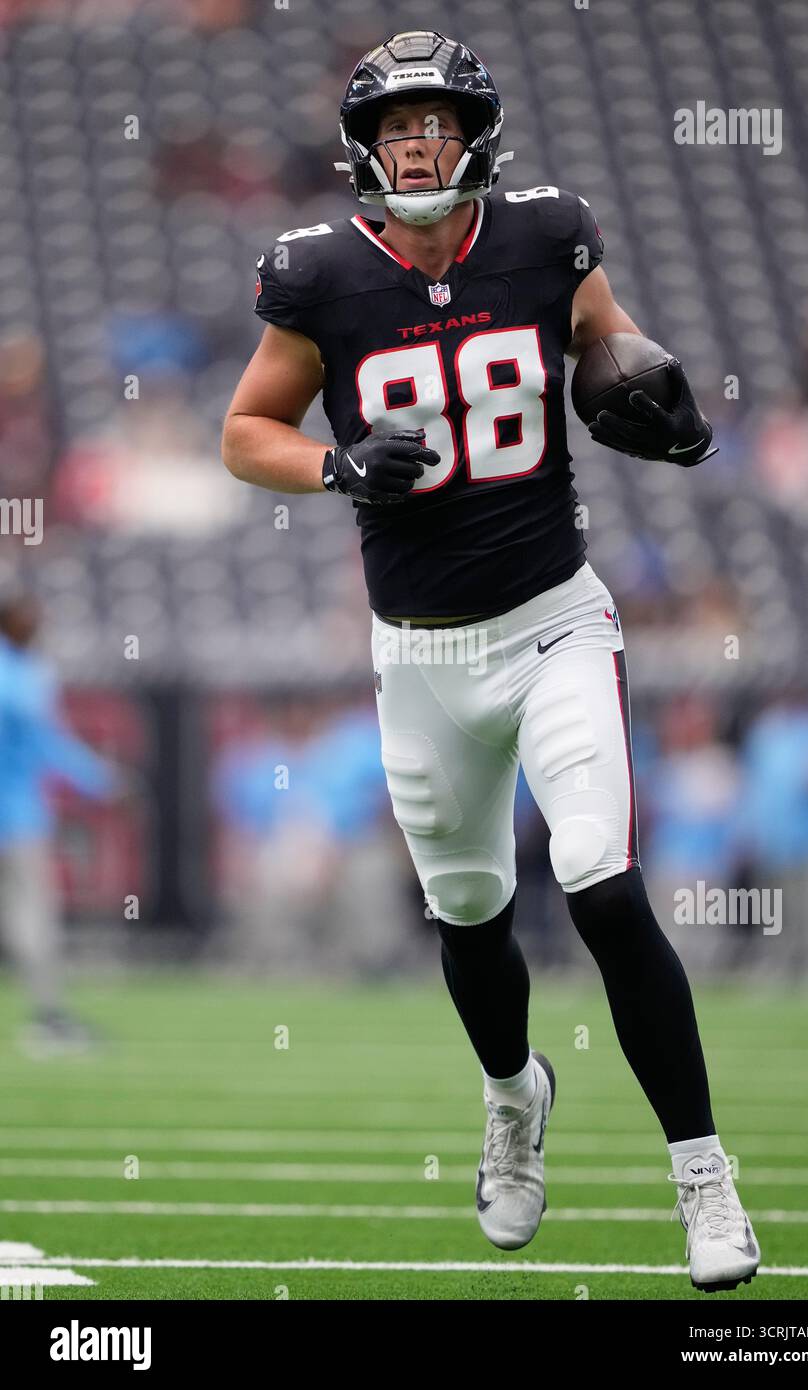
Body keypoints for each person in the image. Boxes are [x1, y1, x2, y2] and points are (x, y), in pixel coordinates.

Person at [223, 30, 759, 1292]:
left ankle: (704, 1178)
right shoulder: (313, 274)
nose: (419, 143)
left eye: (438, 121)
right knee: (468, 916)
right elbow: (246, 432)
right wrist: (335, 464)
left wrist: (665, 420)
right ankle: (514, 1099)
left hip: (553, 619)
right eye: (397, 124)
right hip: (418, 654)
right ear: (364, 145)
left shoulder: (544, 234)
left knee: (601, 881)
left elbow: (610, 356)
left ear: (475, 135)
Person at [0, 590, 124, 1053]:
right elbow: (50, 745)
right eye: (25, 614)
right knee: (33, 916)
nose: (35, 622)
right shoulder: (21, 679)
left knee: (26, 916)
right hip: (16, 818)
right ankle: (48, 1016)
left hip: (19, 814)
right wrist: (103, 782)